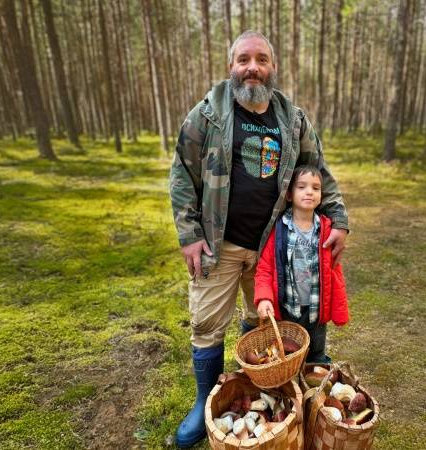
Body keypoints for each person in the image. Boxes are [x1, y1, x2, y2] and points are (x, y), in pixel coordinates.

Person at [169, 30, 348, 448]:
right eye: (244, 59)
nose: (253, 67)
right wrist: (189, 233)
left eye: (261, 59)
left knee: (264, 322)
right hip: (218, 243)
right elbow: (181, 174)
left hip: (273, 246)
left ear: (273, 67)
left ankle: (259, 390)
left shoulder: (293, 120)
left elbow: (318, 171)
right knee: (207, 323)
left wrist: (337, 218)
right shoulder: (207, 115)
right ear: (231, 66)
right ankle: (203, 402)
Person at [254, 165, 349, 364]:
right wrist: (264, 298)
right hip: (287, 309)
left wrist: (338, 309)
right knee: (288, 356)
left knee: (316, 357)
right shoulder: (279, 229)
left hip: (316, 310)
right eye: (302, 187)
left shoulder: (326, 229)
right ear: (289, 194)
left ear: (321, 196)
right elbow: (265, 269)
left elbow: (335, 273)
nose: (309, 192)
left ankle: (316, 379)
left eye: (316, 188)